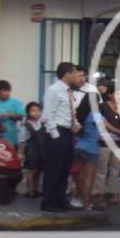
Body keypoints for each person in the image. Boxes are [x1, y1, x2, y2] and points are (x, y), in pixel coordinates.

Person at [40, 62, 82, 213]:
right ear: (66, 74)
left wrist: (75, 124)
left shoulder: (69, 92)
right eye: (74, 73)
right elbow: (48, 115)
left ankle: (60, 199)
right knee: (54, 169)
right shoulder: (54, 90)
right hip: (57, 133)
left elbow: (68, 112)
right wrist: (55, 135)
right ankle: (48, 201)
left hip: (68, 132)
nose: (76, 76)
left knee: (65, 169)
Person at [73, 82, 103, 212]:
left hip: (79, 146)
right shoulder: (96, 116)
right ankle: (86, 205)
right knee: (89, 179)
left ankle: (77, 200)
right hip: (91, 148)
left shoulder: (79, 114)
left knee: (81, 176)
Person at [94, 86, 120, 205]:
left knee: (116, 169)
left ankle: (113, 192)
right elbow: (102, 123)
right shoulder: (103, 107)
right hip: (105, 142)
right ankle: (98, 193)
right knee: (102, 169)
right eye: (117, 95)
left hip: (118, 143)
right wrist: (118, 132)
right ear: (110, 95)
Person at [18, 101, 45, 198]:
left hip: (42, 150)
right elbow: (22, 140)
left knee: (39, 170)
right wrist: (22, 153)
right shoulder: (25, 125)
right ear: (28, 112)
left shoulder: (42, 123)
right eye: (33, 111)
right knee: (31, 170)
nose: (36, 113)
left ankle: (36, 188)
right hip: (31, 150)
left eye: (38, 110)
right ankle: (29, 190)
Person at [0, 79, 25, 151]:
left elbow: (21, 117)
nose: (7, 93)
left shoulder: (16, 102)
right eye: (4, 91)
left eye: (8, 90)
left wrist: (8, 115)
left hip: (11, 138)